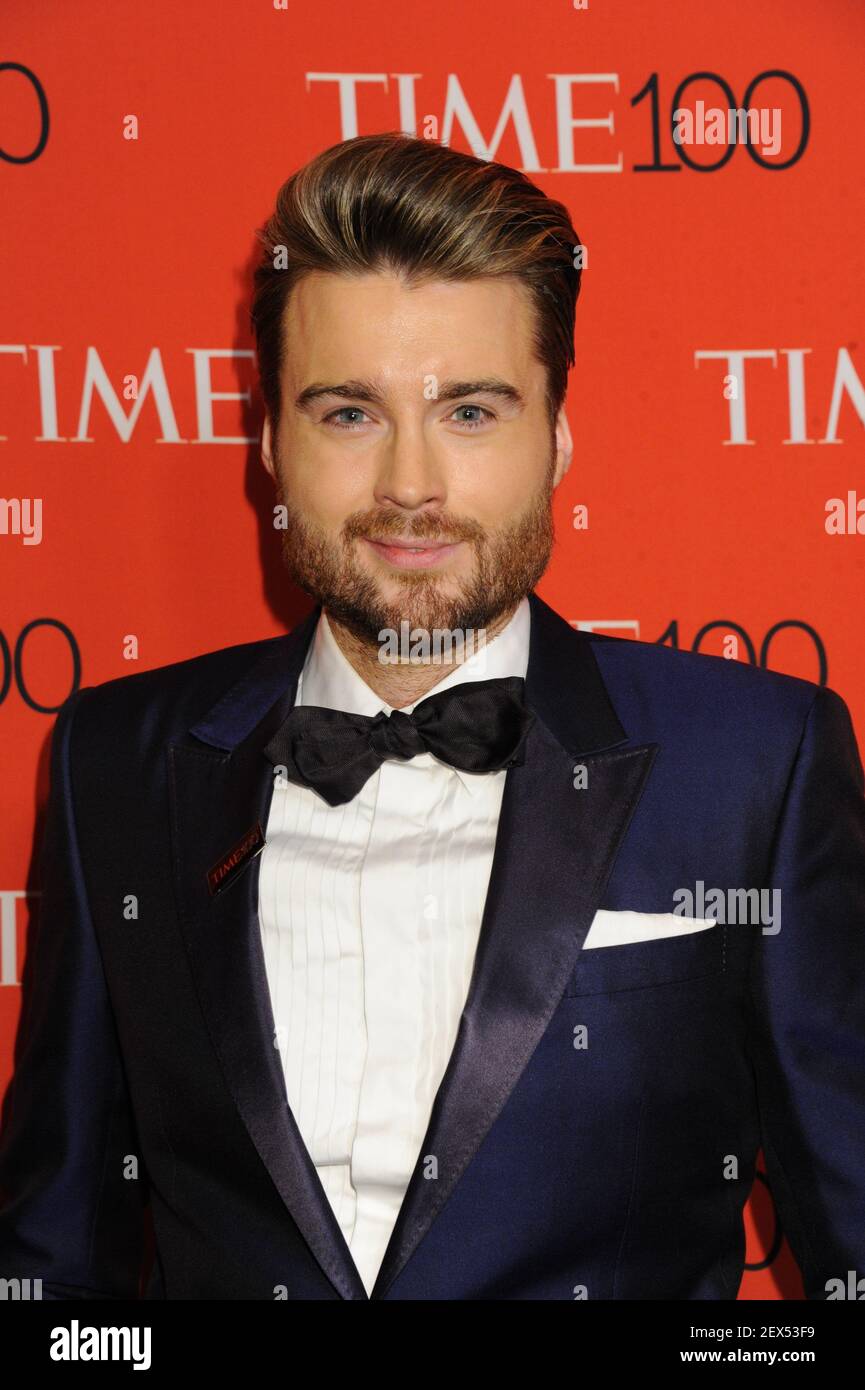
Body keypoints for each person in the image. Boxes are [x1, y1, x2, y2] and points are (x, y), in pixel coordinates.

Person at [1, 132, 863, 1301]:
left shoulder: (756, 766)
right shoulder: (117, 762)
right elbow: (58, 1252)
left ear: (556, 436)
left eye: (469, 410)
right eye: (349, 413)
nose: (410, 484)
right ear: (269, 446)